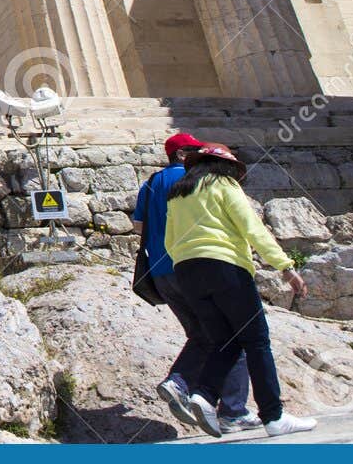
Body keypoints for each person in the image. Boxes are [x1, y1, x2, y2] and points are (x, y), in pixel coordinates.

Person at [164, 143, 315, 438]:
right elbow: (251, 227)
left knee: (226, 341)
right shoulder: (223, 184)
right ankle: (273, 416)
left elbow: (170, 242)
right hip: (225, 267)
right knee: (257, 341)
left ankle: (204, 395)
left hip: (186, 272)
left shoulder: (178, 193)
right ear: (224, 166)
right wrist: (285, 266)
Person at [134, 132, 257, 433]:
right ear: (181, 155)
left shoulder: (150, 183)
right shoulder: (195, 180)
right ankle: (230, 410)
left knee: (205, 336)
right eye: (195, 151)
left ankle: (185, 387)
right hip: (192, 268)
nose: (202, 157)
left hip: (161, 274)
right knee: (233, 336)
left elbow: (138, 226)